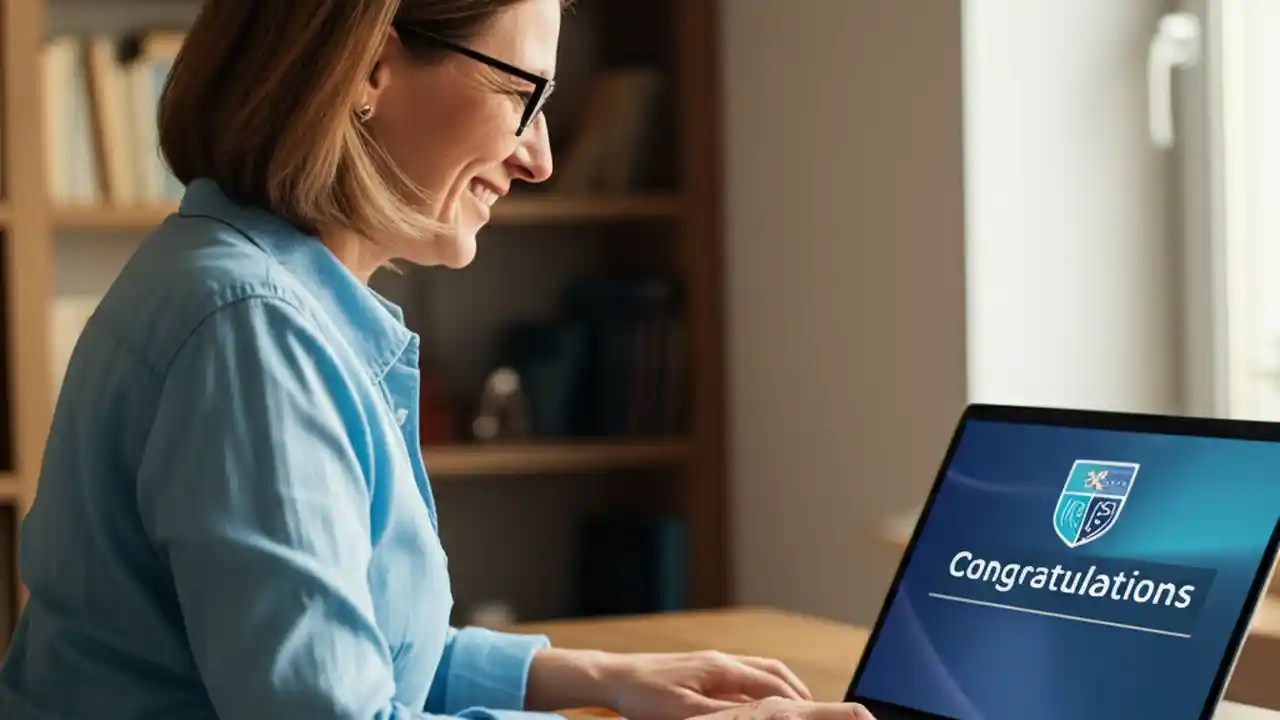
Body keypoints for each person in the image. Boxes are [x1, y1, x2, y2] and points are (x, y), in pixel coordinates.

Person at [0, 2, 875, 719]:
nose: (539, 157)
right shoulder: (253, 331)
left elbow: (367, 654)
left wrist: (607, 677)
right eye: (523, 94)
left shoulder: (236, 286)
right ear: (370, 68)